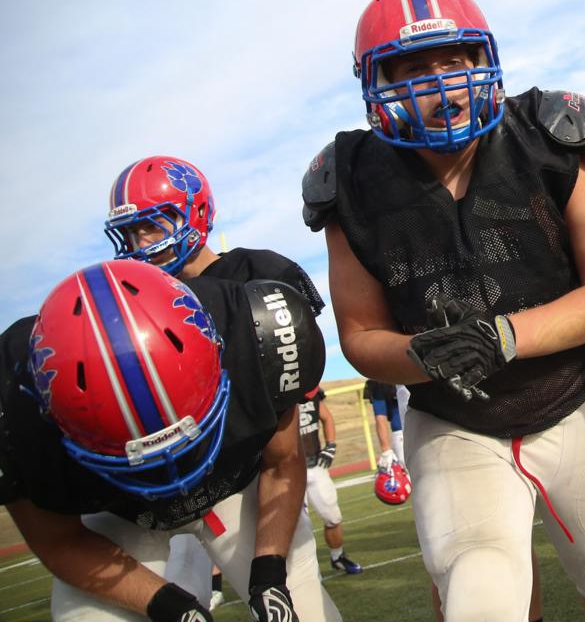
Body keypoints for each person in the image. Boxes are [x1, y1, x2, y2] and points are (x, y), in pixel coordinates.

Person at [304, 0, 585, 621]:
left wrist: (503, 336)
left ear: (482, 62)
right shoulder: (350, 177)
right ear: (374, 82)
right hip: (454, 417)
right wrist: (425, 353)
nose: (436, 82)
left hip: (571, 394)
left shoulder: (546, 133)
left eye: (451, 61)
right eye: (410, 67)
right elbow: (360, 334)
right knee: (478, 589)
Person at [0, 259, 340, 621]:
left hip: (234, 489)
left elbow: (282, 462)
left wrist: (269, 571)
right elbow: (61, 543)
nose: (169, 470)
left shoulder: (249, 331)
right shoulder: (14, 406)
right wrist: (167, 604)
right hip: (123, 513)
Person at [104, 154, 329, 603]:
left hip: (247, 474)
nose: (139, 241)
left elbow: (294, 381)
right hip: (157, 489)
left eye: (153, 224)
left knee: (298, 605)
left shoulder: (255, 275)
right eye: (129, 231)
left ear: (196, 214)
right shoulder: (125, 302)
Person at [297, 386, 364, 574]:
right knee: (299, 527)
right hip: (290, 472)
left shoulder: (310, 390)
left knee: (332, 516)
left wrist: (331, 445)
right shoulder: (275, 396)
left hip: (316, 464)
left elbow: (326, 417)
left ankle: (337, 556)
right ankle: (303, 571)